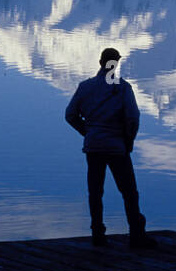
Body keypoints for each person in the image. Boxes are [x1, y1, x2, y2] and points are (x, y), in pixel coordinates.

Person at [64, 47, 156, 248]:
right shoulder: (123, 88)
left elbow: (70, 115)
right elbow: (132, 118)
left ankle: (97, 233)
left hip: (94, 146)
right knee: (129, 191)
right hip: (116, 147)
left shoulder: (85, 87)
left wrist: (87, 131)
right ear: (117, 63)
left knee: (95, 191)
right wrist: (129, 141)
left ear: (100, 62)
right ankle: (136, 234)